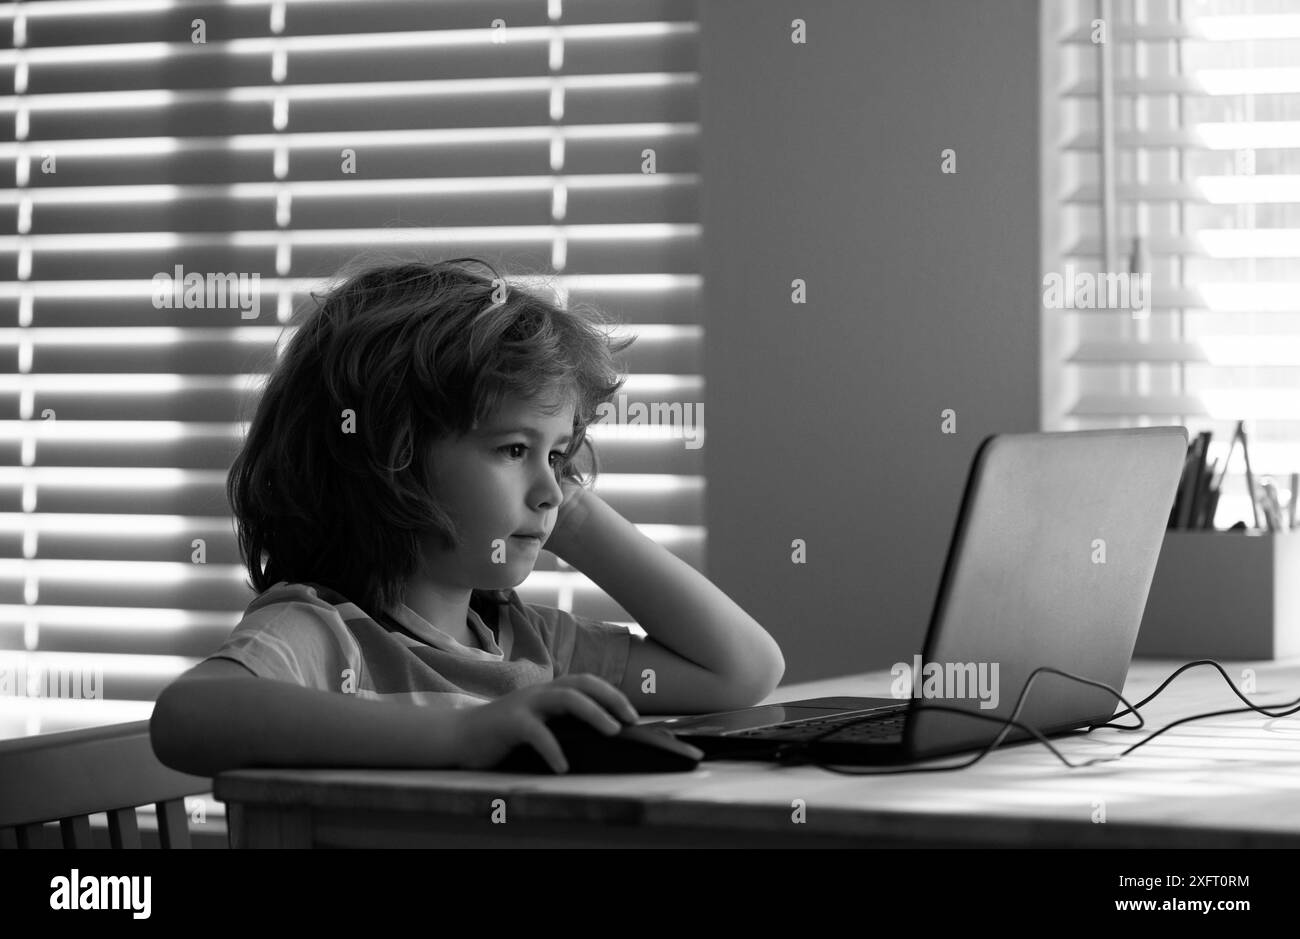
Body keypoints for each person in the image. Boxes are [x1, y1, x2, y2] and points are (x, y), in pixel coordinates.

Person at [149, 256, 784, 776]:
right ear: (388, 453)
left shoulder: (533, 646)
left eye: (559, 455)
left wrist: (570, 506)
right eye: (513, 449)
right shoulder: (328, 634)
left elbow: (743, 670)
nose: (552, 489)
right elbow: (188, 717)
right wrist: (462, 732)